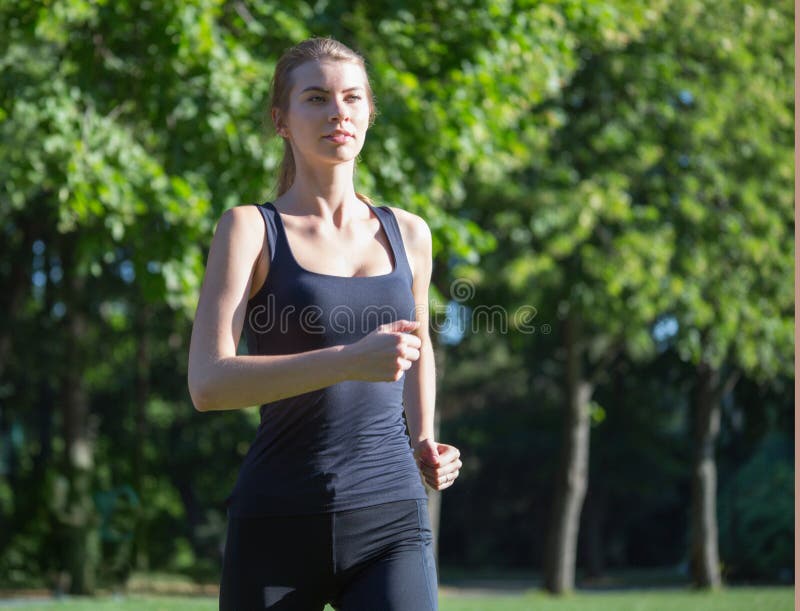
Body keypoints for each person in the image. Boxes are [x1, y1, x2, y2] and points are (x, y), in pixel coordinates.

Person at [187, 37, 462, 610]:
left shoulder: (408, 232)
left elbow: (418, 346)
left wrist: (423, 440)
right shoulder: (248, 230)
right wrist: (347, 362)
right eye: (316, 98)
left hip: (392, 517)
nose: (338, 112)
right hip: (278, 521)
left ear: (367, 113)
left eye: (352, 98)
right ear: (281, 120)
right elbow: (208, 383)